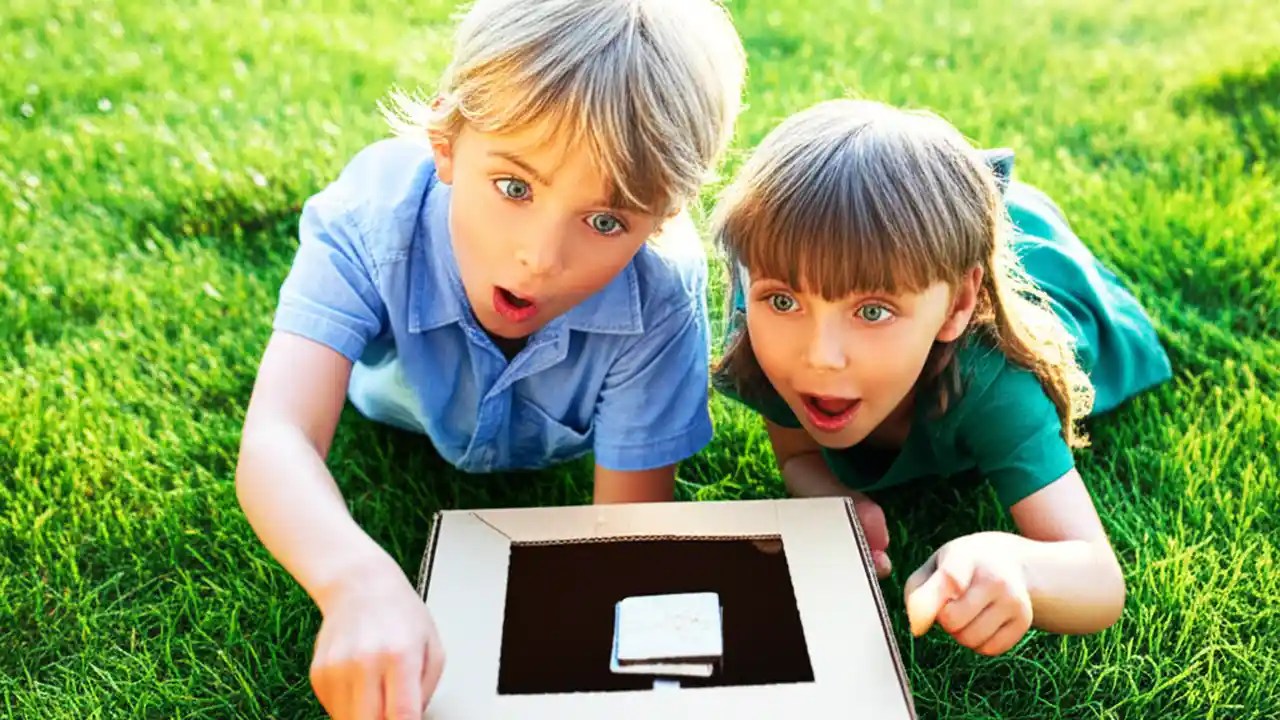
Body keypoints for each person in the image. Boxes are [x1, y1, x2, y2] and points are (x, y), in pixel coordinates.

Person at [234, 1, 746, 717]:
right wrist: (354, 581)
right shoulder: (369, 216)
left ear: (660, 220)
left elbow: (623, 538)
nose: (539, 257)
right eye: (515, 187)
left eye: (605, 221)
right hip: (394, 408)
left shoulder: (661, 290)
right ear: (446, 139)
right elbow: (277, 435)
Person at [710, 99, 1172, 657]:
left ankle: (1002, 213)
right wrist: (835, 498)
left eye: (873, 310)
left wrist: (1018, 566)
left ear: (957, 304)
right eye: (784, 298)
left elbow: (1098, 577)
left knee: (1023, 236)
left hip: (1045, 277)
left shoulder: (993, 381)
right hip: (914, 250)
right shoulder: (770, 343)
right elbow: (798, 457)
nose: (820, 357)